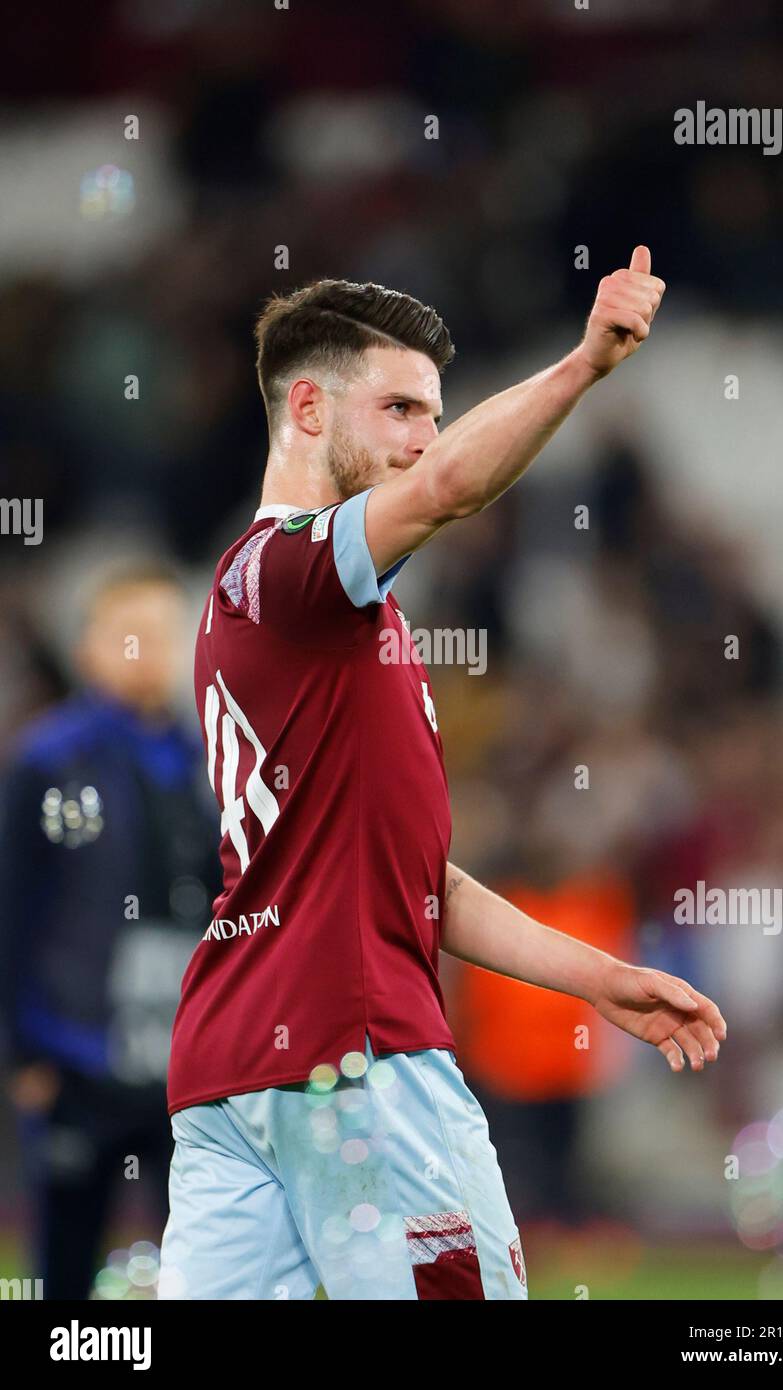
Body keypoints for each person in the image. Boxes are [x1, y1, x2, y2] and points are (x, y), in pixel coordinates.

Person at [159, 248, 727, 1302]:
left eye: (432, 411)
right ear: (311, 409)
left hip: (232, 1072)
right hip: (353, 1057)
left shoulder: (296, 616)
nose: (423, 438)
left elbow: (419, 884)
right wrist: (583, 366)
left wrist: (599, 978)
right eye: (399, 408)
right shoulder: (290, 576)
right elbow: (452, 488)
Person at [0, 564, 219, 1300]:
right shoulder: (48, 760)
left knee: (201, 1259)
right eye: (128, 636)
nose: (145, 653)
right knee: (65, 1256)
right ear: (88, 648)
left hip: (188, 1057)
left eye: (161, 636)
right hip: (77, 1047)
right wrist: (21, 1049)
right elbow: (13, 905)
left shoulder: (210, 761)